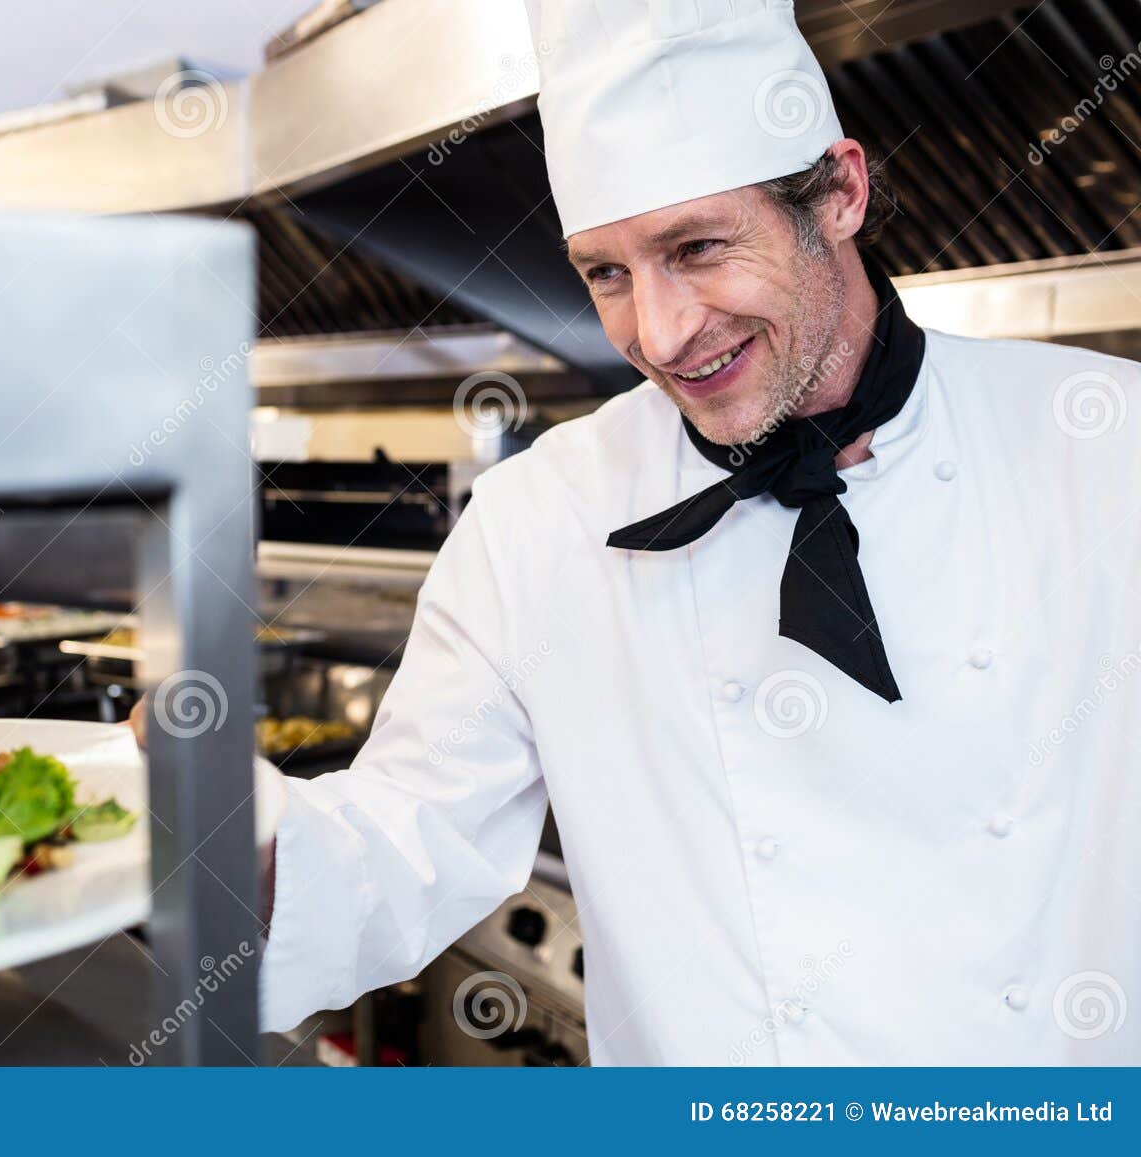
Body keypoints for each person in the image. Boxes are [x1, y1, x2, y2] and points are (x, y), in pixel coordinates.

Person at [143, 0, 1141, 1064]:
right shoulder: (543, 516)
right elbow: (400, 848)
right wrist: (185, 812)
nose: (657, 334)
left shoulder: (1104, 445)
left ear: (841, 192)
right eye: (605, 274)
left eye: (697, 247)